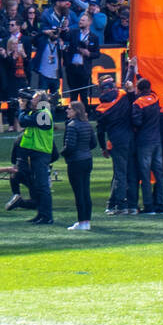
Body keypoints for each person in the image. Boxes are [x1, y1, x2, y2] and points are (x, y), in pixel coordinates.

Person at [95, 64, 136, 214]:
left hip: (116, 142)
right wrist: (131, 67)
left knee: (119, 173)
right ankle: (131, 205)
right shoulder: (123, 96)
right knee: (130, 172)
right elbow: (128, 82)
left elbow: (100, 131)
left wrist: (103, 147)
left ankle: (120, 205)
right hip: (131, 138)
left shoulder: (100, 109)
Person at [131, 77, 163, 214]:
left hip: (144, 142)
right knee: (159, 174)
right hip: (156, 140)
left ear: (139, 89)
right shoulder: (155, 98)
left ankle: (149, 206)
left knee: (145, 174)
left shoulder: (138, 103)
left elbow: (136, 122)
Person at [17, 88, 56, 224]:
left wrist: (21, 108)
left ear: (40, 101)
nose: (31, 100)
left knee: (43, 186)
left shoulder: (44, 114)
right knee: (38, 186)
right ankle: (41, 214)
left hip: (41, 153)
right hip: (36, 153)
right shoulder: (40, 112)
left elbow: (23, 121)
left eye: (34, 98)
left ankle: (46, 216)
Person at [62, 99, 97, 231]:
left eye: (69, 108)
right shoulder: (87, 124)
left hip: (76, 162)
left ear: (76, 111)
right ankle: (87, 221)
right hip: (87, 160)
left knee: (79, 193)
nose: (67, 110)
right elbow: (93, 144)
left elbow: (69, 146)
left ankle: (81, 221)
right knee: (86, 191)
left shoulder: (72, 126)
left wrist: (63, 153)